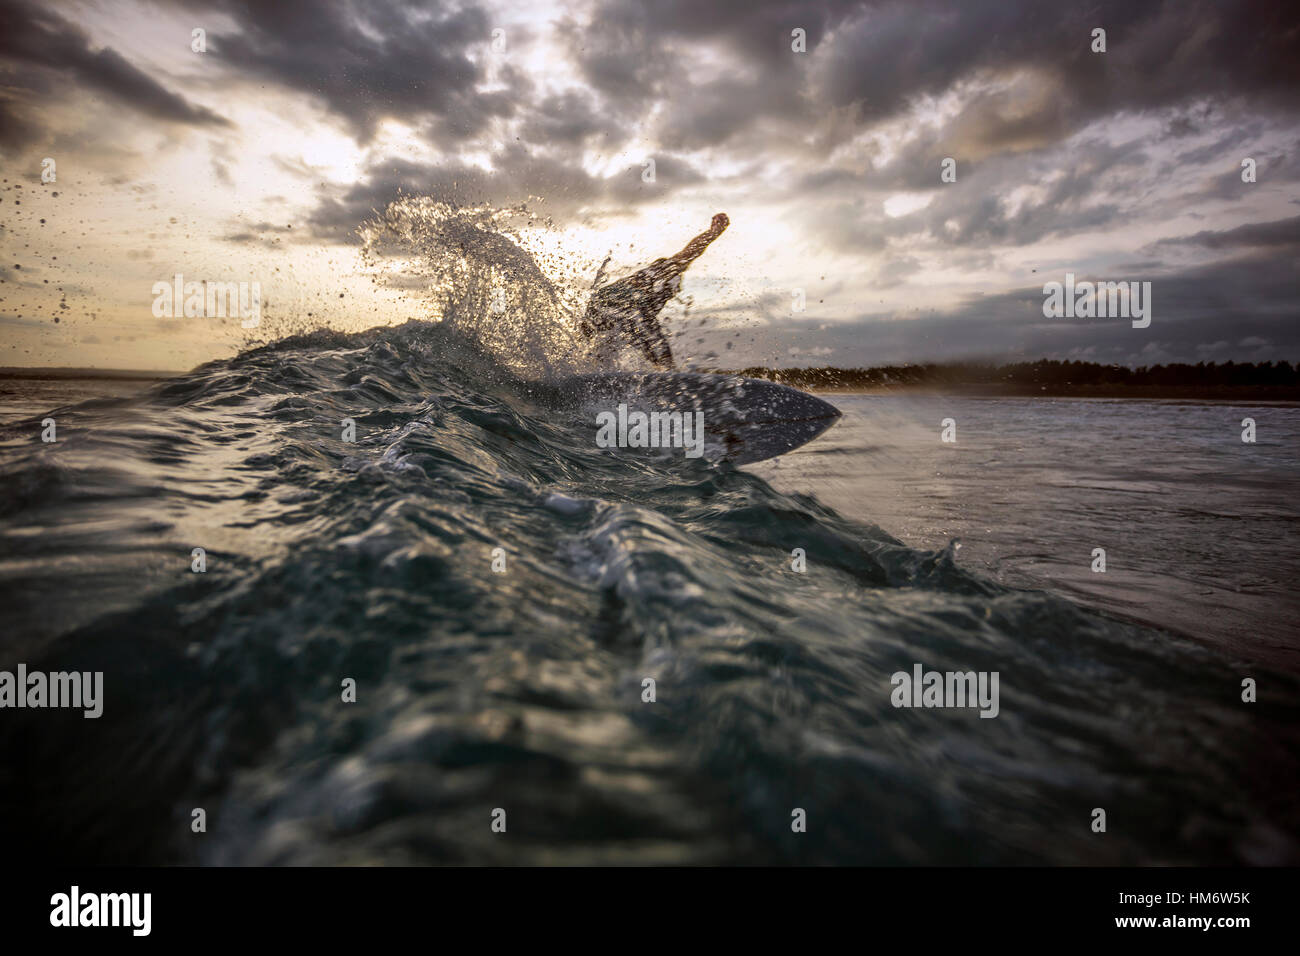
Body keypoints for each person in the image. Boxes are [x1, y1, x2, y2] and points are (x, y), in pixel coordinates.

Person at [578, 213, 729, 369]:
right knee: (657, 345)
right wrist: (713, 232)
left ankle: (588, 370)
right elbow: (688, 254)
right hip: (622, 303)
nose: (674, 293)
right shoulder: (662, 271)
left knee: (603, 344)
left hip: (600, 305)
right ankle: (670, 372)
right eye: (675, 288)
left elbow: (642, 338)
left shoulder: (646, 289)